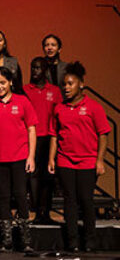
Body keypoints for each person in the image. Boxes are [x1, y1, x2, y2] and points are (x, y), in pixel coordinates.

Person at [49, 61, 110, 252]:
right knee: (69, 201)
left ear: (81, 84)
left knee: (86, 200)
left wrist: (99, 160)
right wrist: (51, 159)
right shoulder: (59, 108)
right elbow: (54, 135)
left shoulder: (93, 107)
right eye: (64, 84)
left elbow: (103, 134)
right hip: (65, 160)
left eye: (70, 84)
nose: (66, 88)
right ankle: (72, 241)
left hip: (87, 161)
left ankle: (89, 241)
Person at [0, 66, 37, 252]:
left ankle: (25, 240)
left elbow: (31, 130)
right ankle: (7, 240)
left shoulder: (22, 101)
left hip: (19, 157)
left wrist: (31, 157)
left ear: (11, 82)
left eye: (3, 83)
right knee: (2, 197)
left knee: (21, 194)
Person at [25, 56, 59, 223]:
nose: (35, 71)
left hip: (49, 139)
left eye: (38, 68)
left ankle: (46, 213)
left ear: (45, 70)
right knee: (33, 177)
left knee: (48, 177)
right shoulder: (25, 90)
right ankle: (36, 212)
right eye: (33, 67)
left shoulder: (54, 91)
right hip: (31, 139)